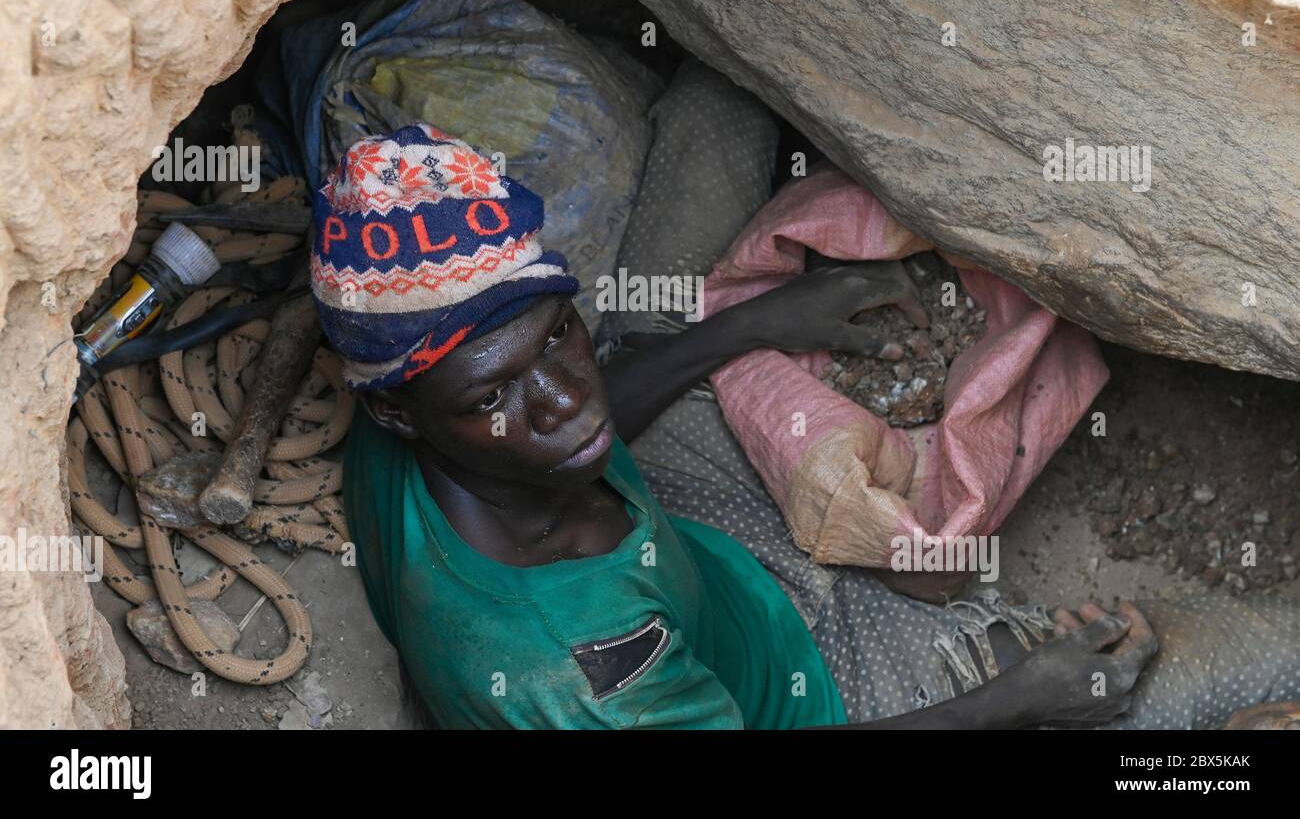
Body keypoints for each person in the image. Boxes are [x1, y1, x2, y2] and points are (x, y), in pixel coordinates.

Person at [312, 119, 1300, 729]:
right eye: (493, 397)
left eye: (558, 335)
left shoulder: (427, 409)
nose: (567, 398)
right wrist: (1012, 701)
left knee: (712, 131)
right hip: (824, 693)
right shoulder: (570, 677)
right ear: (398, 410)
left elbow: (562, 385)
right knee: (1198, 668)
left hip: (706, 551)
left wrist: (759, 321)